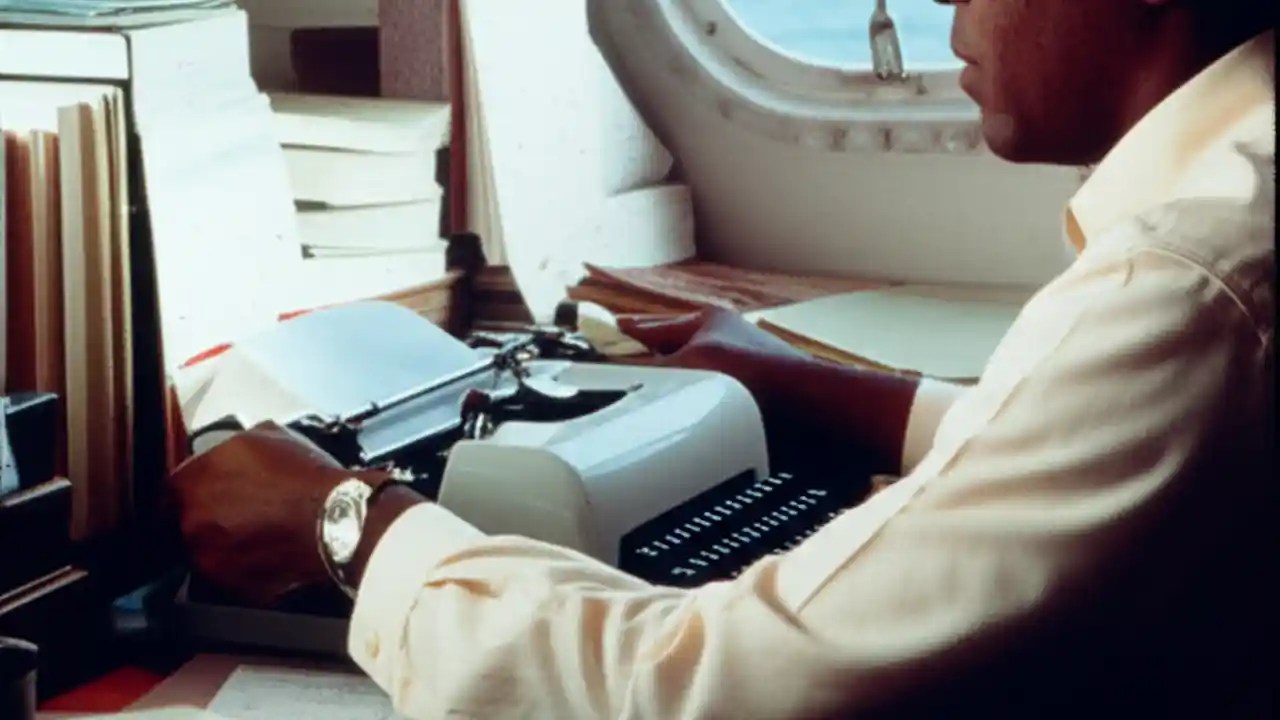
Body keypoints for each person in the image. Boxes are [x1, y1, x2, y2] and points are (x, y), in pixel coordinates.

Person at [169, 1, 1274, 717]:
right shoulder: (1231, 204)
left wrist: (354, 523)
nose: (947, 2)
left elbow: (722, 691)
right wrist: (825, 387)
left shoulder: (1183, 280)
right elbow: (1073, 446)